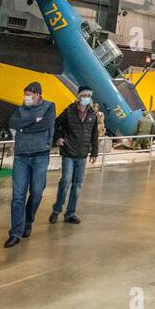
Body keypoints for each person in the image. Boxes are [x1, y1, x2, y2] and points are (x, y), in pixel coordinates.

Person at [5, 81, 55, 248]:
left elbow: (45, 125)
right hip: (21, 156)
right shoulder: (20, 109)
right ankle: (15, 232)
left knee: (36, 192)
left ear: (38, 95)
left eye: (30, 95)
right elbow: (13, 123)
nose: (26, 98)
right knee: (18, 195)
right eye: (25, 94)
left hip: (40, 155)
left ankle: (28, 219)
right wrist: (33, 119)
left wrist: (24, 128)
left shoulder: (49, 107)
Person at [50, 85, 99, 225]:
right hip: (69, 152)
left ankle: (70, 213)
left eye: (89, 96)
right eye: (84, 95)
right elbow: (56, 124)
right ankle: (57, 209)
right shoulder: (69, 111)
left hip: (82, 154)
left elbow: (94, 135)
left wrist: (94, 152)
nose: (86, 98)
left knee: (77, 184)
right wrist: (58, 138)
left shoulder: (92, 115)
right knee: (66, 180)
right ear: (79, 97)